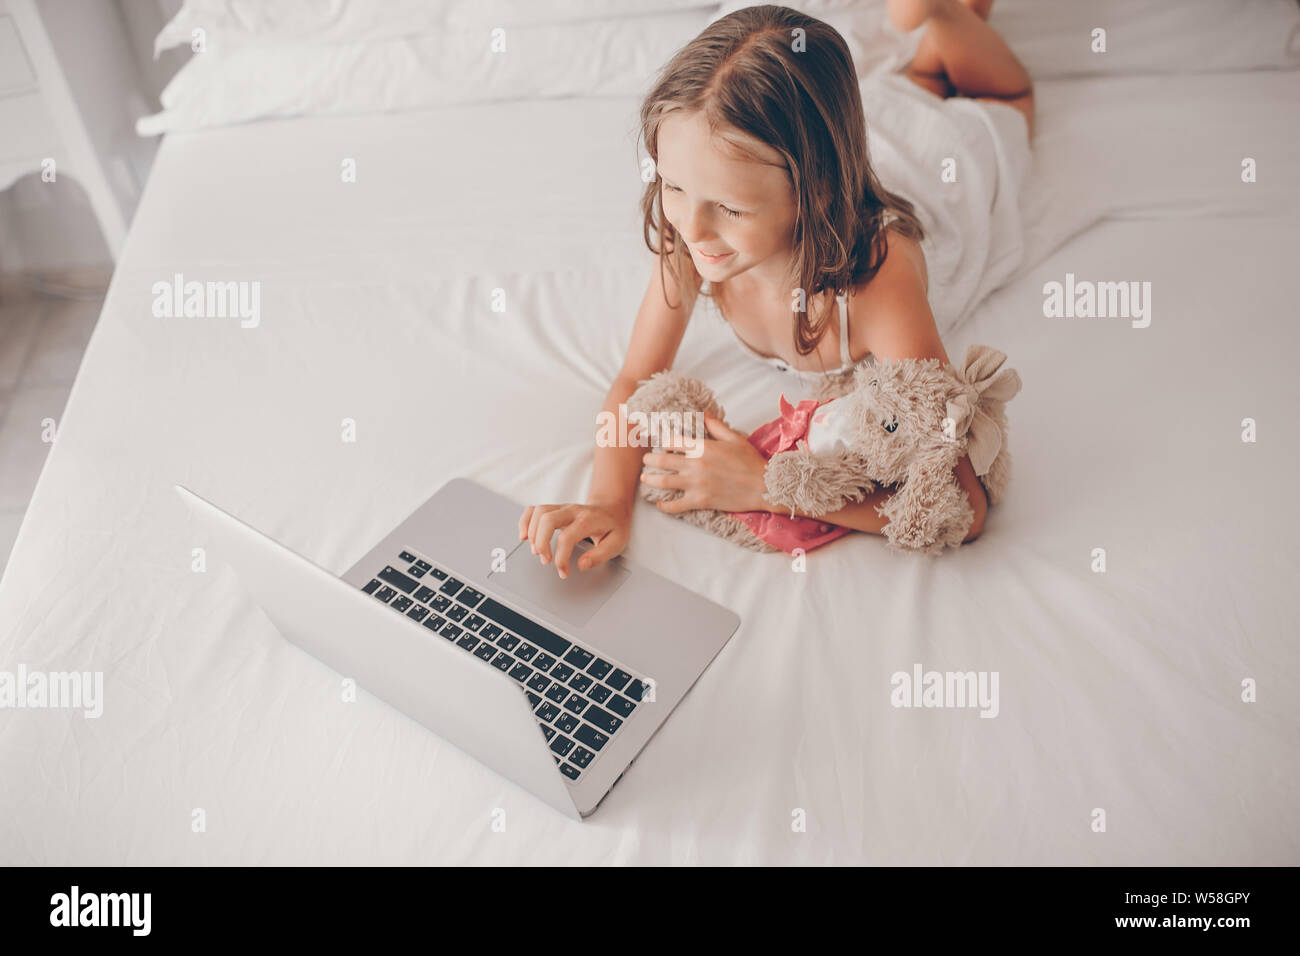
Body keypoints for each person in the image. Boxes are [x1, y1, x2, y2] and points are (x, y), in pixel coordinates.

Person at [520, 0, 1033, 577]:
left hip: (936, 172)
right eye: (672, 186)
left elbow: (966, 510)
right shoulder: (697, 226)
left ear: (812, 193)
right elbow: (635, 380)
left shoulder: (878, 283)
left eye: (731, 208)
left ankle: (947, 16)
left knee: (1002, 101)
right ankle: (930, 46)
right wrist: (607, 502)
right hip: (853, 146)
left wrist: (768, 486)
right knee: (915, 80)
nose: (690, 230)